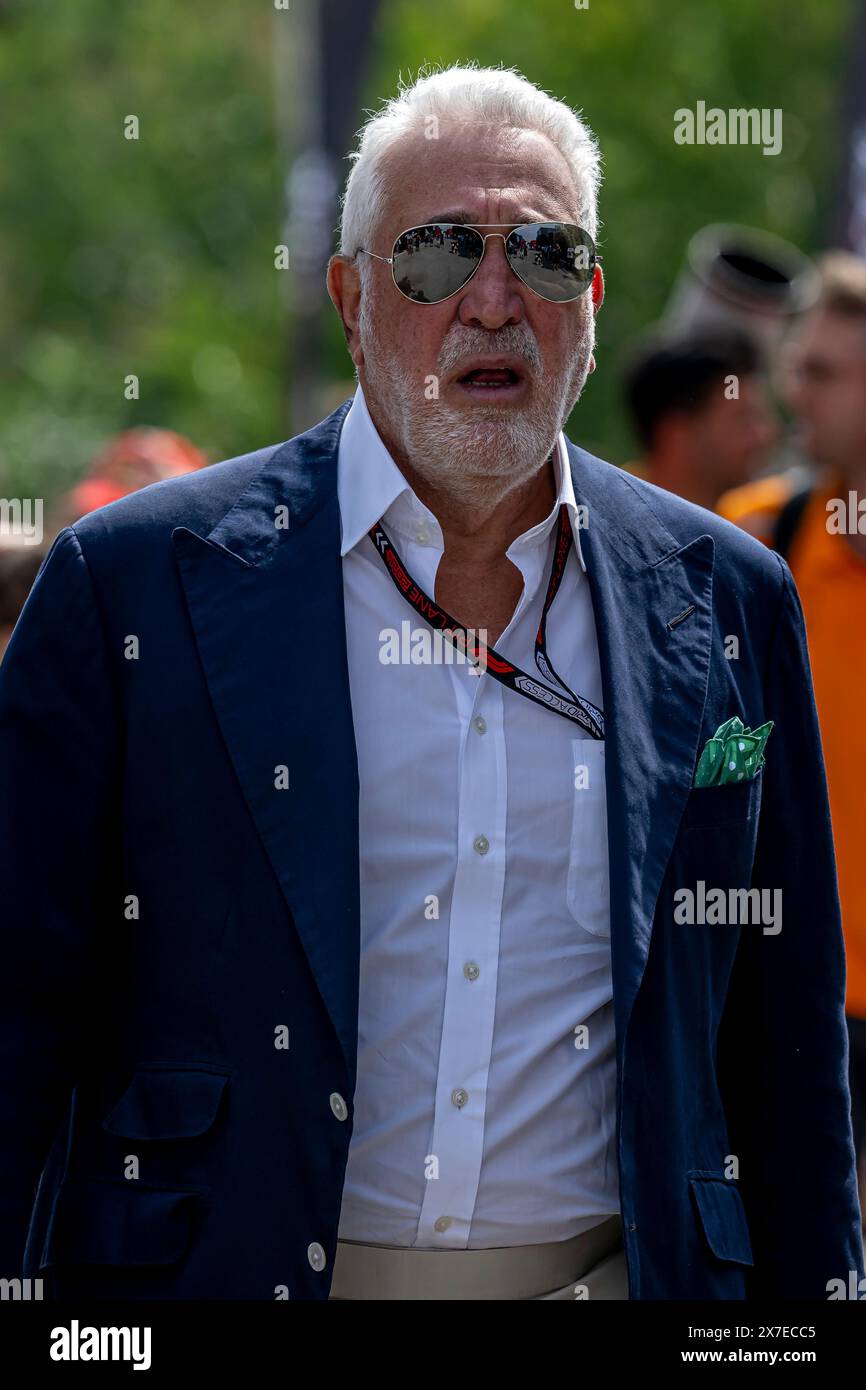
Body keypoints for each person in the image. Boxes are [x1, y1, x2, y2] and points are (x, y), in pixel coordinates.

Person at [0, 62, 861, 1303]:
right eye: (439, 255)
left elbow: (783, 1052)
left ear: (595, 302)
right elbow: (19, 1010)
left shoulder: (725, 595)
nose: (495, 300)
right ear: (351, 298)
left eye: (548, 256)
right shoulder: (137, 584)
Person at [719, 251, 866, 1235]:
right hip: (786, 998)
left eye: (821, 371)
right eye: (794, 364)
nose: (790, 391)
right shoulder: (750, 542)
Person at [623, 327, 777, 510]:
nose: (764, 436)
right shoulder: (601, 519)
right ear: (676, 434)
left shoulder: (763, 524)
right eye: (743, 419)